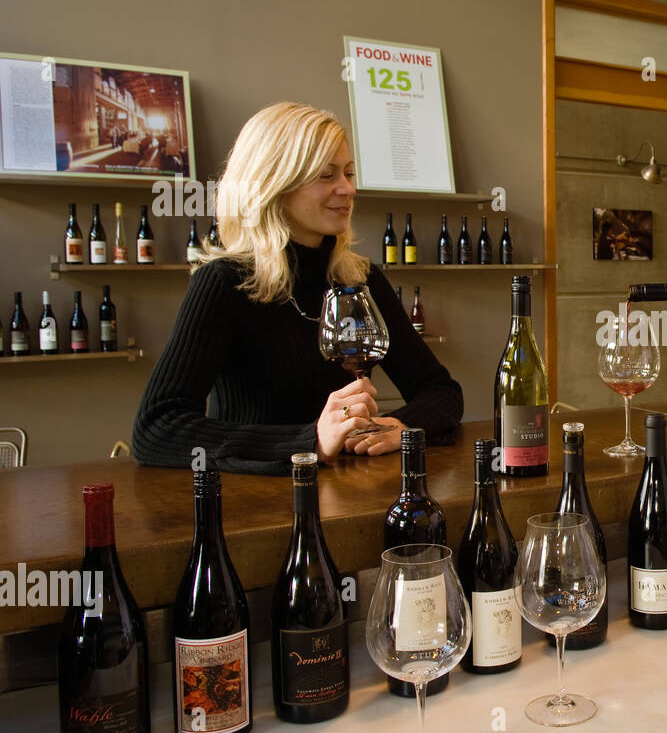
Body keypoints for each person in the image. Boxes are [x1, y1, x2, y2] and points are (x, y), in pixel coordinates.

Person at [133, 101, 463, 474]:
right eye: (326, 175)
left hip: (346, 503)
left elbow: (441, 391)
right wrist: (308, 442)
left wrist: (402, 427)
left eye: (349, 173)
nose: (348, 189)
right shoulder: (225, 283)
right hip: (254, 508)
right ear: (274, 184)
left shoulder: (361, 279)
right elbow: (156, 428)